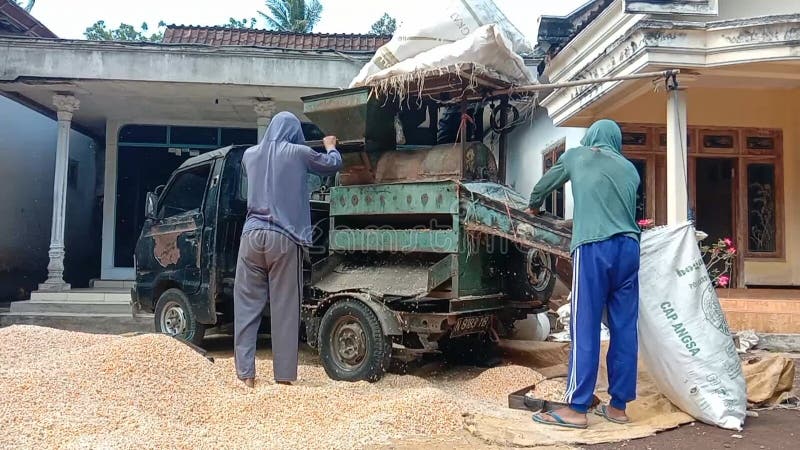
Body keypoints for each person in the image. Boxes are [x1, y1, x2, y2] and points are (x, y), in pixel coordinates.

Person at [526, 119, 641, 428]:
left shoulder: (577, 155)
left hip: (594, 248)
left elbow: (541, 188)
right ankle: (618, 407)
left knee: (585, 325)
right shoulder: (630, 169)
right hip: (629, 249)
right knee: (624, 329)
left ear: (591, 137)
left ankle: (576, 408)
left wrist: (534, 208)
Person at [234, 111, 342, 388]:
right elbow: (332, 165)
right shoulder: (299, 152)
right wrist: (330, 145)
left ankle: (245, 375)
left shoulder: (249, 155)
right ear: (294, 132)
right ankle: (283, 378)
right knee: (284, 309)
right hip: (283, 238)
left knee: (246, 308)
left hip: (251, 237)